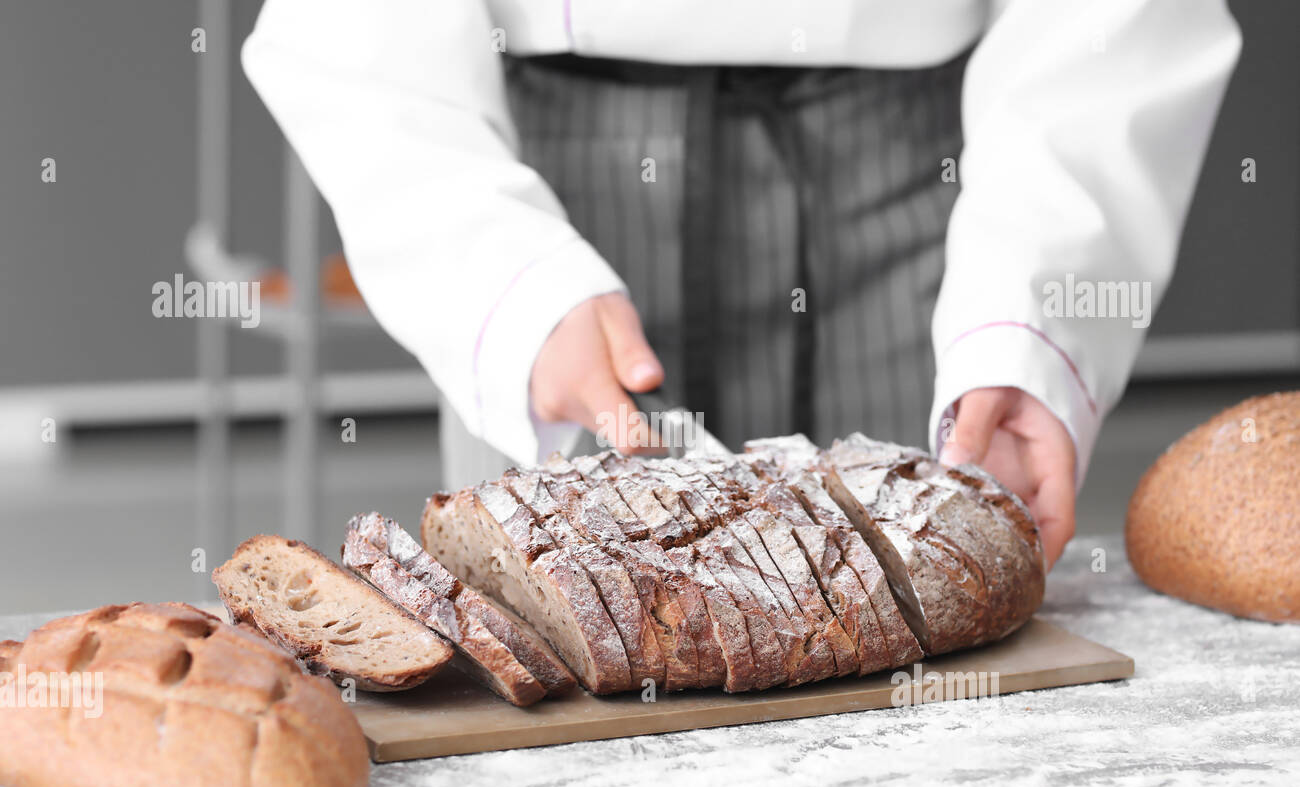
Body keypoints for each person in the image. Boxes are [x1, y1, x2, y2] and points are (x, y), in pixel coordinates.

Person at [243, 0, 1240, 569]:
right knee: (581, 710)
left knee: (923, 694)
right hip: (550, 202)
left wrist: (1029, 307)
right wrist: (503, 276)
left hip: (928, 198)